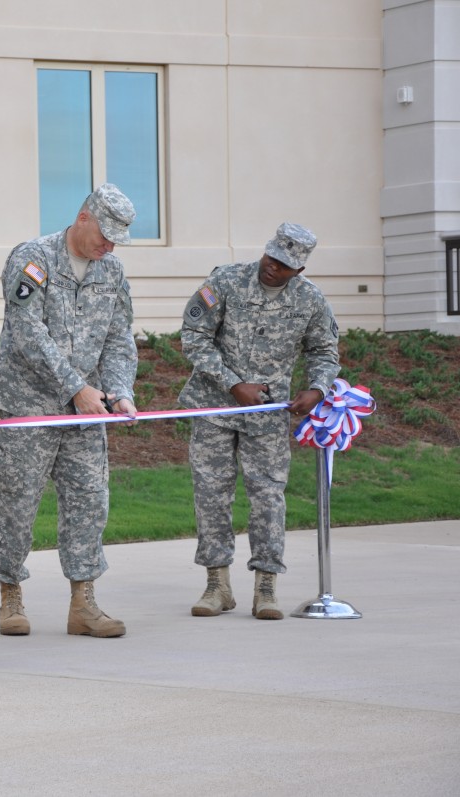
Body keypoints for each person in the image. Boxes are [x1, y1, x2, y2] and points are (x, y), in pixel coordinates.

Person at [0, 183, 138, 639]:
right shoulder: (33, 258)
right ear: (83, 216)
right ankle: (10, 595)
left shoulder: (110, 271)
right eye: (104, 234)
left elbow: (118, 338)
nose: (107, 246)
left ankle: (83, 602)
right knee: (18, 504)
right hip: (27, 404)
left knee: (90, 502)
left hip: (85, 411)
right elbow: (27, 332)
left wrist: (119, 391)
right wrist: (76, 387)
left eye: (116, 239)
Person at [179, 222, 340, 621]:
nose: (273, 268)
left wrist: (317, 390)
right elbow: (193, 335)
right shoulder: (227, 281)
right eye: (271, 258)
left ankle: (266, 586)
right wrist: (232, 383)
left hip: (268, 415)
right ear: (264, 251)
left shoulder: (311, 301)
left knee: (268, 497)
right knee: (211, 495)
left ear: (298, 270)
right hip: (214, 408)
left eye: (284, 265)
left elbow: (324, 350)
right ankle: (217, 585)